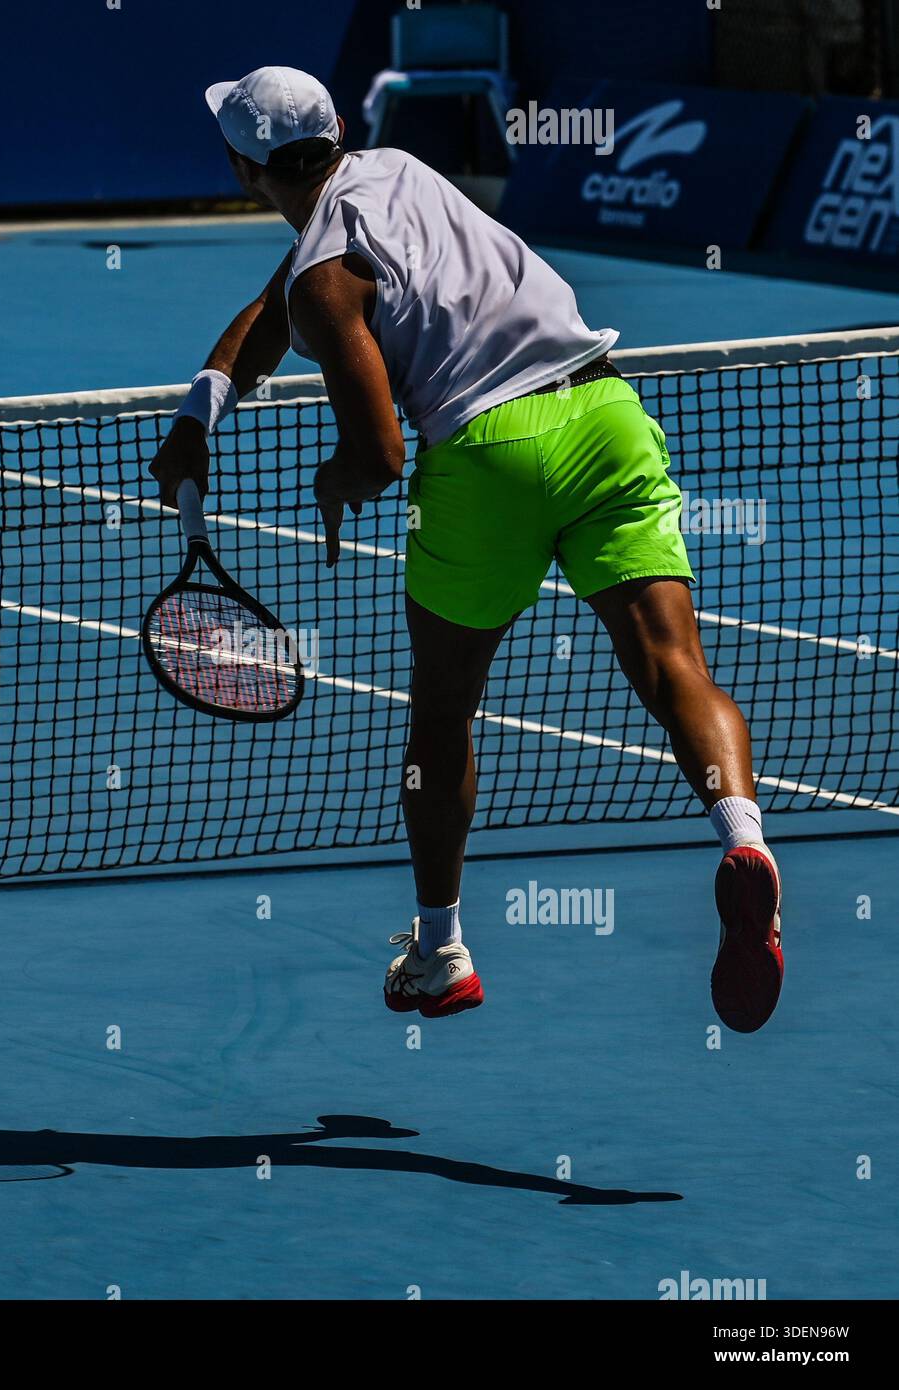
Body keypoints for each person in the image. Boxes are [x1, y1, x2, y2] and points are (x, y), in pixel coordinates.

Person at [148, 67, 783, 1034]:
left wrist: (332, 485)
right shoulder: (399, 169)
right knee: (672, 668)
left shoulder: (324, 287)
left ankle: (440, 950)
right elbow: (272, 305)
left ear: (242, 168)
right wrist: (203, 407)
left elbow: (379, 452)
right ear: (338, 131)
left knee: (442, 716)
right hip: (605, 412)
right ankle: (744, 842)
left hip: (485, 462)